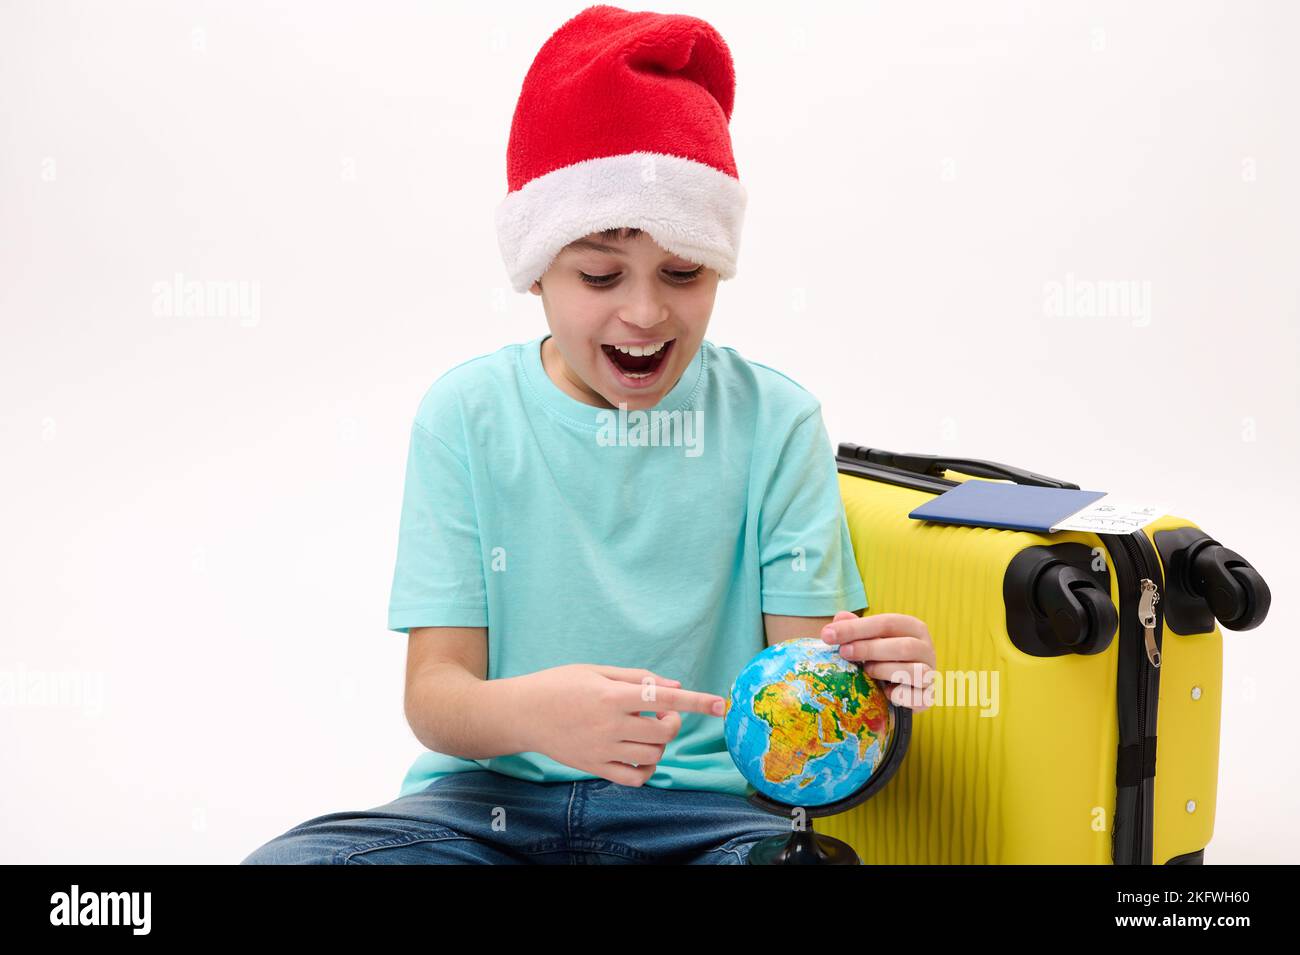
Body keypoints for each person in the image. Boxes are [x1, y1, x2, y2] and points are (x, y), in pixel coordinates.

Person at [242, 3, 935, 866]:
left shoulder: (778, 421)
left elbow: (802, 712)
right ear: (535, 272)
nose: (644, 313)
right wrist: (536, 714)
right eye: (600, 273)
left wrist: (877, 699)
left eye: (682, 273)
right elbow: (435, 694)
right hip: (479, 810)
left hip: (703, 824)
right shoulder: (466, 415)